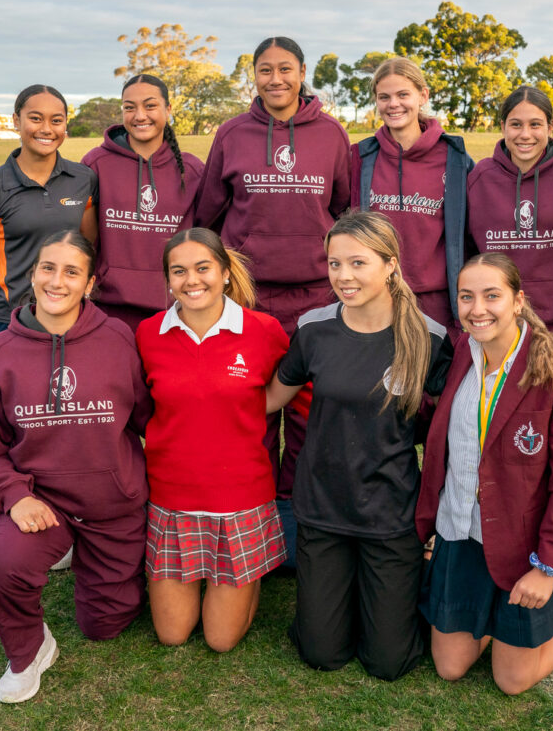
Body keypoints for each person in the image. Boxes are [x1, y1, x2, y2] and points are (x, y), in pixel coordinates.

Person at [0, 230, 151, 703]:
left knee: (104, 625)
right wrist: (16, 496)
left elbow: (151, 417)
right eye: (49, 268)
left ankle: (89, 557)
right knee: (1, 565)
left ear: (89, 284)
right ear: (33, 274)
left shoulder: (118, 340)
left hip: (113, 502)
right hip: (43, 503)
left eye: (72, 272)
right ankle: (30, 651)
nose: (57, 281)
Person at [266, 211, 451, 681]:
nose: (343, 277)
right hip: (323, 506)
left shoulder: (429, 339)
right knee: (321, 653)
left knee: (388, 662)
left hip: (390, 512)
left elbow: (456, 425)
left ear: (391, 264)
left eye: (358, 263)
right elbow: (269, 399)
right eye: (334, 264)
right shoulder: (314, 328)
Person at [416, 253, 553, 695]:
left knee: (512, 681)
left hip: (525, 545)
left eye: (491, 295)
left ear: (518, 301)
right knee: (450, 667)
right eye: (466, 297)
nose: (477, 309)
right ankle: (497, 618)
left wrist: (547, 566)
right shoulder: (462, 351)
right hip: (463, 531)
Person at [195, 37, 350, 562]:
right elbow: (209, 214)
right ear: (253, 75)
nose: (276, 78)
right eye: (265, 70)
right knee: (251, 413)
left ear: (303, 72)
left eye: (286, 69)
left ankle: (295, 521)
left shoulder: (330, 133)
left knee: (309, 413)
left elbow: (345, 209)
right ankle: (252, 521)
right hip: (249, 301)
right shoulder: (233, 132)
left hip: (314, 299)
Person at [135, 228, 289, 651]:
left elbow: (293, 394)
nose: (192, 280)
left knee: (220, 641)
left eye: (203, 268)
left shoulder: (264, 330)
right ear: (167, 280)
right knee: (172, 635)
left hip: (240, 498)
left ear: (224, 273)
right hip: (172, 500)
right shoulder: (148, 334)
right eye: (179, 271)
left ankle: (249, 570)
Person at [466, 85, 553, 573]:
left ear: (550, 127)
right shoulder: (480, 176)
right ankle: (493, 519)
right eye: (515, 124)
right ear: (502, 128)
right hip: (495, 323)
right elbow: (471, 242)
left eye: (535, 124)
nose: (525, 133)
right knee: (498, 428)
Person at [0, 85, 95, 340]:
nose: (46, 129)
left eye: (56, 120)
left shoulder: (83, 179)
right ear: (16, 121)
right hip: (8, 323)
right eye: (35, 118)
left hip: (70, 317)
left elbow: (88, 246)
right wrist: (3, 303)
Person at [351, 57, 473, 334]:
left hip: (437, 303)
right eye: (384, 97)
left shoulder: (455, 159)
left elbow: (471, 233)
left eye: (403, 94)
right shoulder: (361, 157)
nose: (394, 104)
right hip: (377, 299)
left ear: (423, 95)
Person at [81, 73, 204, 332]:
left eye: (150, 106)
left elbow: (208, 236)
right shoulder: (96, 163)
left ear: (168, 109)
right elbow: (79, 236)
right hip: (108, 310)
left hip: (175, 312)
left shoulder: (192, 170)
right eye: (129, 107)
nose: (139, 115)